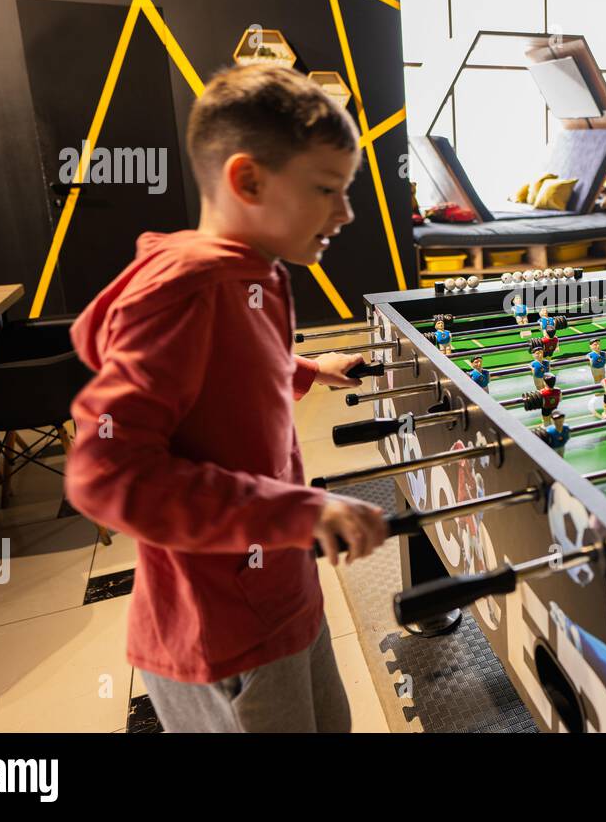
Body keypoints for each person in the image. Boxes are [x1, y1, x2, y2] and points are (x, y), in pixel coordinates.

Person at [65, 64, 388, 733]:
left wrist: (305, 368)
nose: (347, 212)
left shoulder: (254, 270)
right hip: (224, 630)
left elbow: (231, 368)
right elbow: (106, 470)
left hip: (281, 592)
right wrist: (296, 510)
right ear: (248, 180)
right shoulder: (187, 291)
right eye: (327, 189)